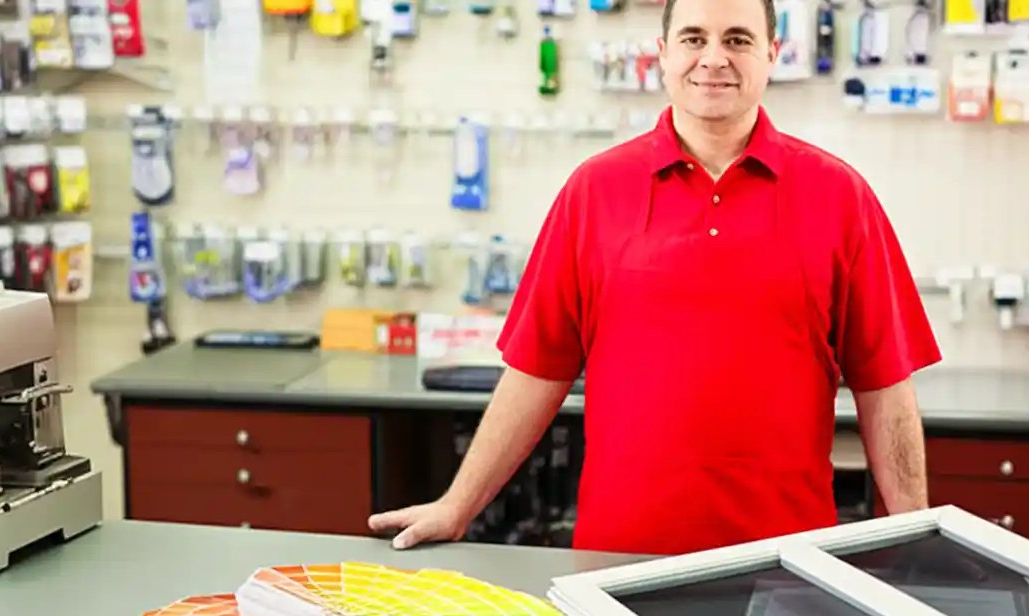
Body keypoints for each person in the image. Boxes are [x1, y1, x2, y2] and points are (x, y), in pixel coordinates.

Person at [368, 0, 941, 555]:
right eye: (694, 39)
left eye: (737, 40)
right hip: (617, 560)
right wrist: (458, 505)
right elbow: (536, 372)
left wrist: (914, 533)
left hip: (787, 562)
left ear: (773, 53)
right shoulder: (594, 192)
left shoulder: (840, 197)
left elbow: (885, 386)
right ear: (663, 54)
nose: (714, 58)